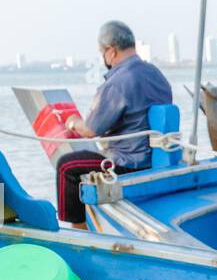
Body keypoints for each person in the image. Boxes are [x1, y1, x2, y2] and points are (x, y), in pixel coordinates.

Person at [55, 20, 173, 227]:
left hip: (127, 164)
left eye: (102, 52)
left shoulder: (119, 82)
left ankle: (77, 229)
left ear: (110, 51)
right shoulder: (155, 74)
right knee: (83, 160)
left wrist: (73, 122)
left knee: (67, 165)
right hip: (153, 158)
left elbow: (90, 130)